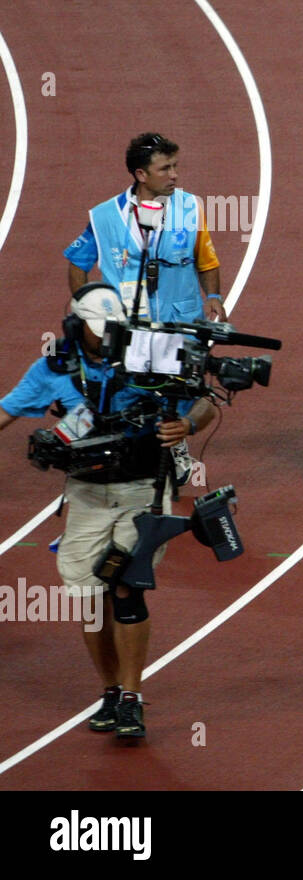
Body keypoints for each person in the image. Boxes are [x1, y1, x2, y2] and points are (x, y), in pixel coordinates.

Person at [0, 284, 215, 739]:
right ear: (78, 327)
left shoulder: (151, 356)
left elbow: (203, 399)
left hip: (144, 490)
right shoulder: (53, 369)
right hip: (87, 495)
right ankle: (112, 689)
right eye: (98, 330)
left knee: (123, 588)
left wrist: (187, 424)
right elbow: (7, 411)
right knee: (90, 601)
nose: (107, 337)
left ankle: (133, 699)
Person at [65, 132, 226, 325]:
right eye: (165, 169)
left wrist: (213, 296)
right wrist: (88, 309)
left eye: (175, 166)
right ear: (141, 174)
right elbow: (77, 262)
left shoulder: (190, 207)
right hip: (128, 329)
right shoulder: (104, 216)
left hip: (181, 326)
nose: (174, 175)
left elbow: (206, 261)